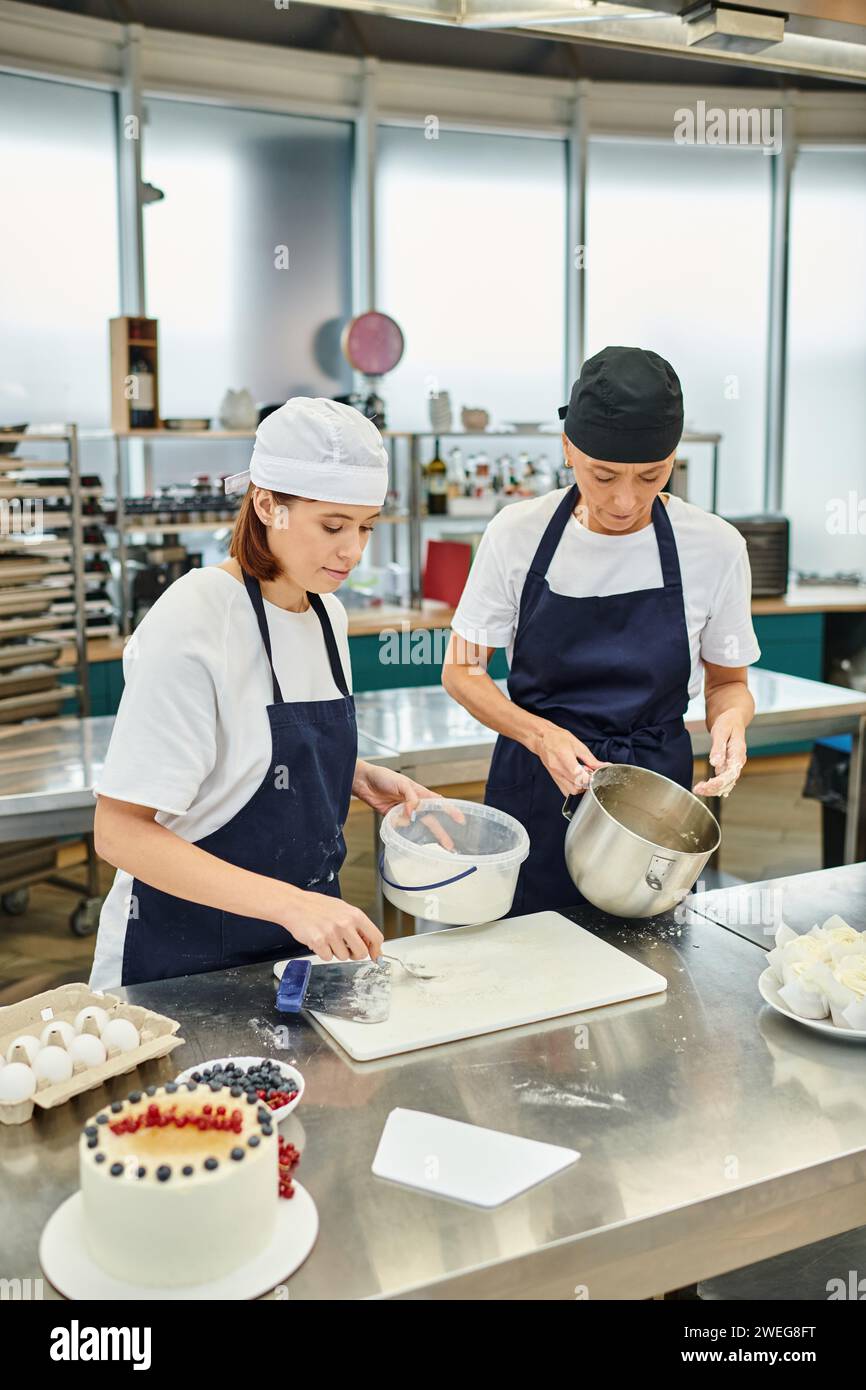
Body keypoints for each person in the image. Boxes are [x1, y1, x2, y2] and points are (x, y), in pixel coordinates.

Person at [90, 397, 446, 988]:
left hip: (294, 951)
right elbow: (120, 829)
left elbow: (246, 749)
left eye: (365, 527)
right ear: (266, 504)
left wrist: (352, 772)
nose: (353, 551)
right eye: (332, 526)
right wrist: (293, 904)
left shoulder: (326, 614)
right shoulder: (196, 616)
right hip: (182, 956)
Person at [442, 346, 760, 917]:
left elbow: (728, 682)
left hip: (652, 800)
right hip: (537, 783)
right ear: (568, 448)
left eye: (651, 476)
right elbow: (462, 669)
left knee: (649, 969)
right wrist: (539, 735)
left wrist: (732, 723)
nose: (625, 501)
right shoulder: (514, 534)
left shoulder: (715, 547)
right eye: (604, 475)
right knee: (532, 961)